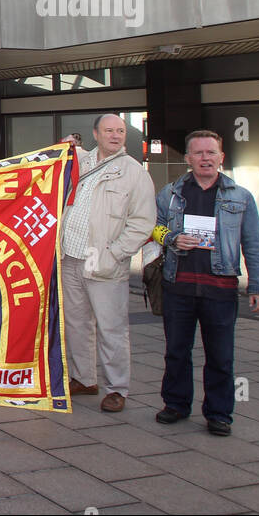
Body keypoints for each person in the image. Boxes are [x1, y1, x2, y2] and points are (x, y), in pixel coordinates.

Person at [152, 130, 259, 437]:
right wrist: (174, 238)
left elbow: (253, 244)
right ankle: (176, 404)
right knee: (176, 351)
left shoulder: (240, 196)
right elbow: (154, 229)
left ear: (221, 157)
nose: (205, 158)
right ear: (188, 158)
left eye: (211, 153)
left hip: (220, 289)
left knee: (221, 355)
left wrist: (258, 286)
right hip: (178, 286)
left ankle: (219, 413)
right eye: (198, 153)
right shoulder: (171, 193)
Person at [60, 113, 155, 413]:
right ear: (96, 134)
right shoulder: (82, 163)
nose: (115, 135)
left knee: (111, 328)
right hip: (70, 257)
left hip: (104, 262)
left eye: (120, 131)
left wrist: (115, 253)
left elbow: (143, 223)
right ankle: (84, 378)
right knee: (76, 324)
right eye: (109, 131)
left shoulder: (134, 173)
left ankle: (116, 388)